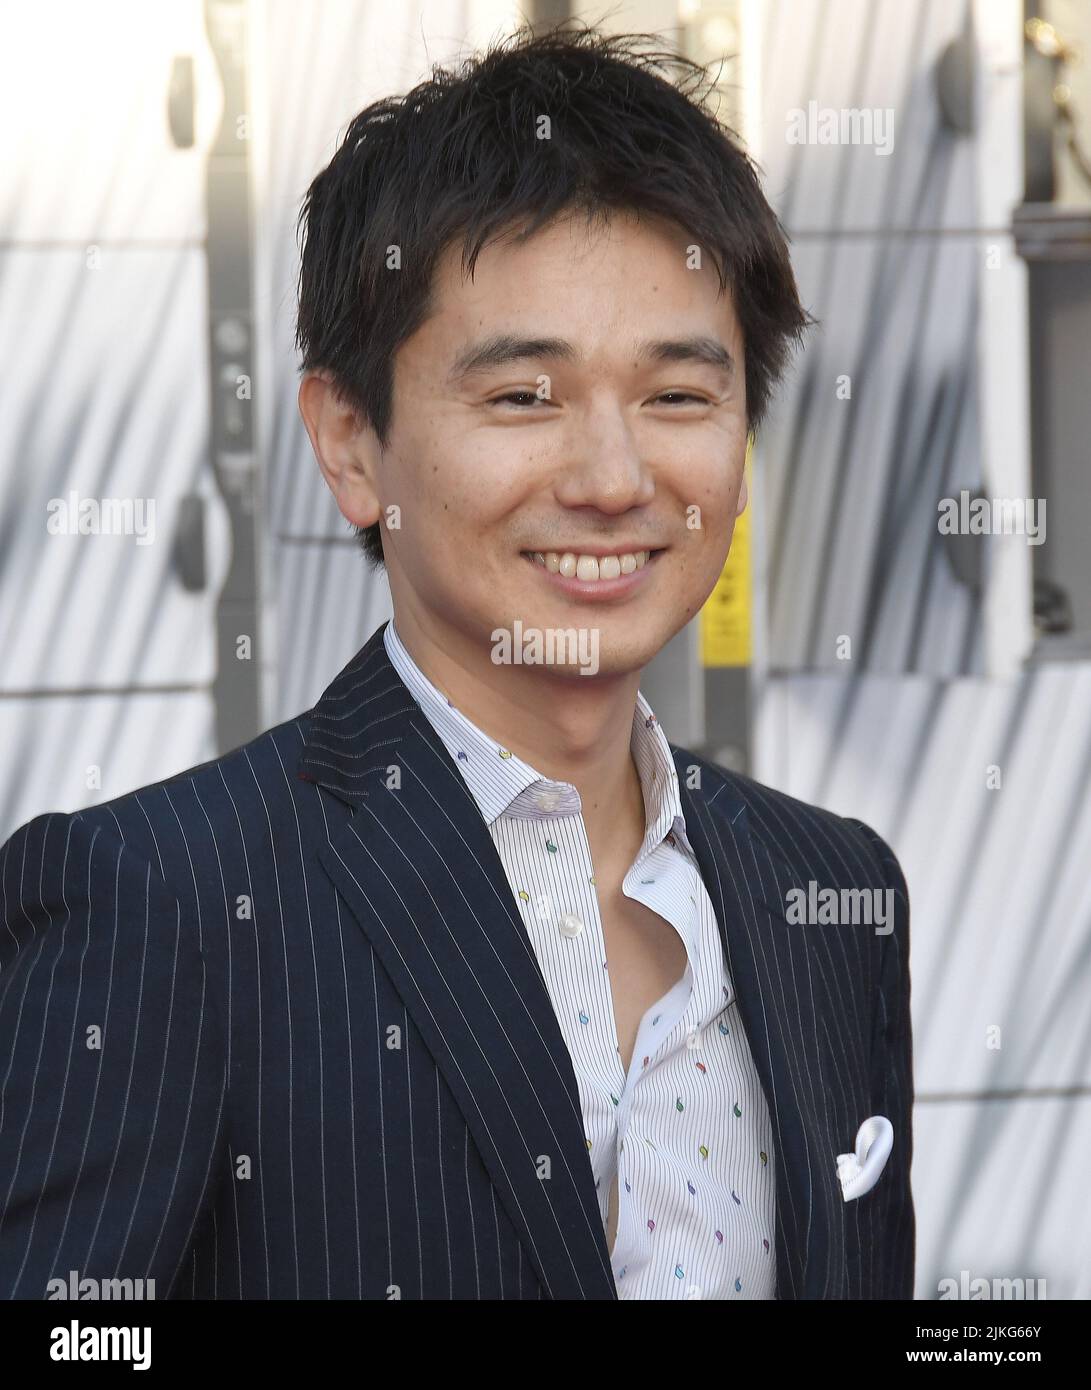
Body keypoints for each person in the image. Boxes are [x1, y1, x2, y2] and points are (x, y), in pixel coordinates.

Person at [0, 23, 913, 1300]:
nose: (612, 479)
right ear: (350, 442)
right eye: (523, 396)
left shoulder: (829, 888)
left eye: (677, 397)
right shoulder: (162, 900)